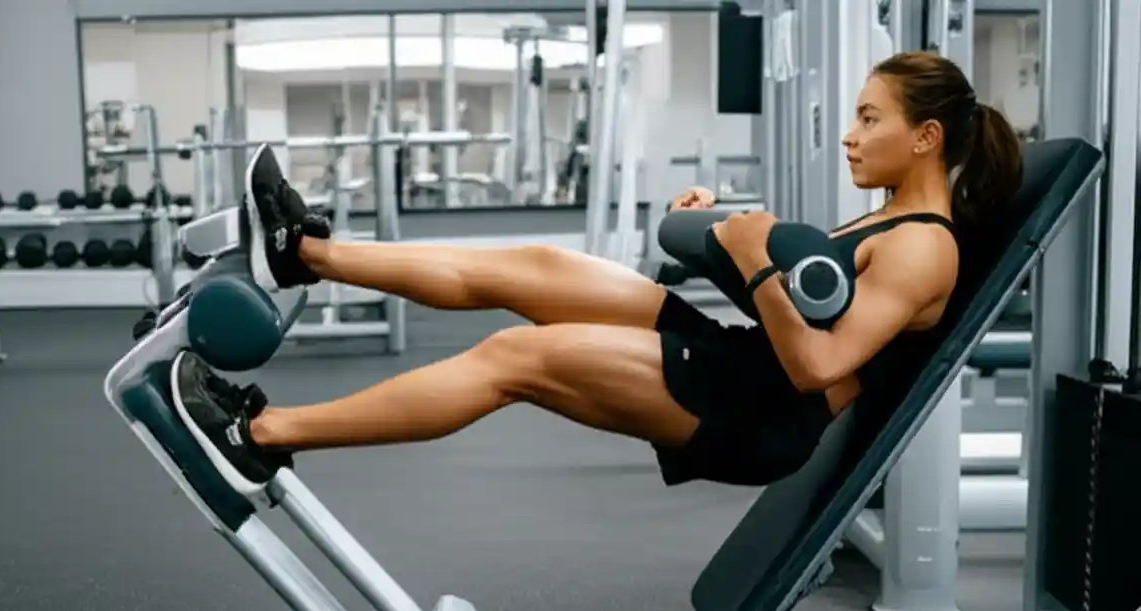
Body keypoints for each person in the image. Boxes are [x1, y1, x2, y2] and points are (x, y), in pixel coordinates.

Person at [173, 51, 1023, 496]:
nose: (850, 134)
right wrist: (718, 229)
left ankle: (258, 438)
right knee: (533, 266)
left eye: (869, 119)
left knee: (516, 358)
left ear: (926, 138)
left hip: (755, 410)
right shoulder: (883, 218)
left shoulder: (922, 246)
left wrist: (758, 260)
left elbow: (816, 368)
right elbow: (794, 304)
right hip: (737, 357)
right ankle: (303, 253)